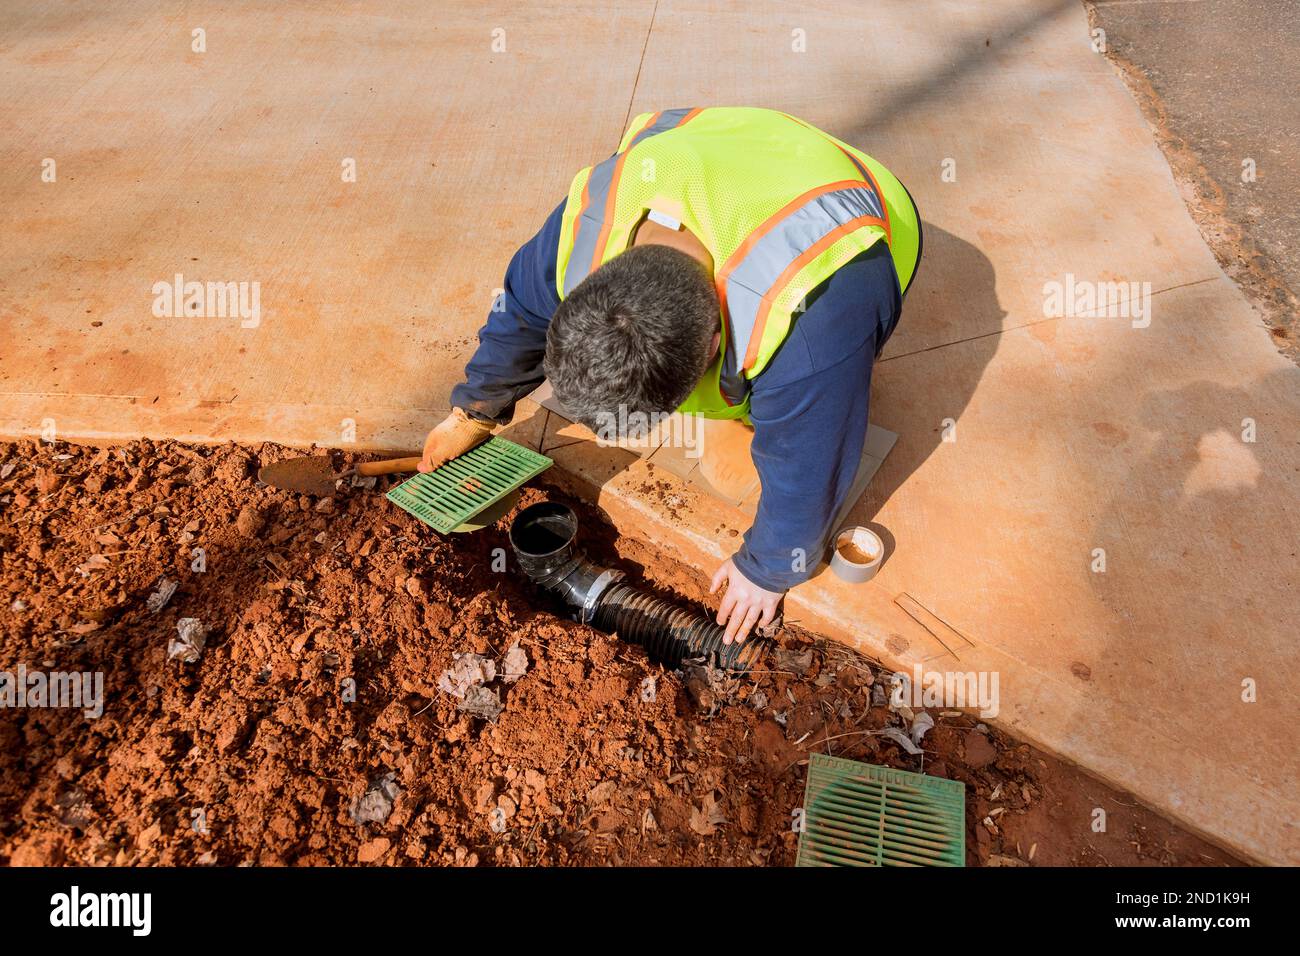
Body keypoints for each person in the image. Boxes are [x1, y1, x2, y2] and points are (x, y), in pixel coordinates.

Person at [421, 107, 921, 645]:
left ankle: (745, 409)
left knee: (740, 468)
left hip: (854, 205)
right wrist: (472, 411)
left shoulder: (811, 316)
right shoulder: (587, 229)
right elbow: (521, 311)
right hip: (722, 142)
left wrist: (768, 569)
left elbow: (812, 454)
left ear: (712, 343)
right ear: (589, 287)